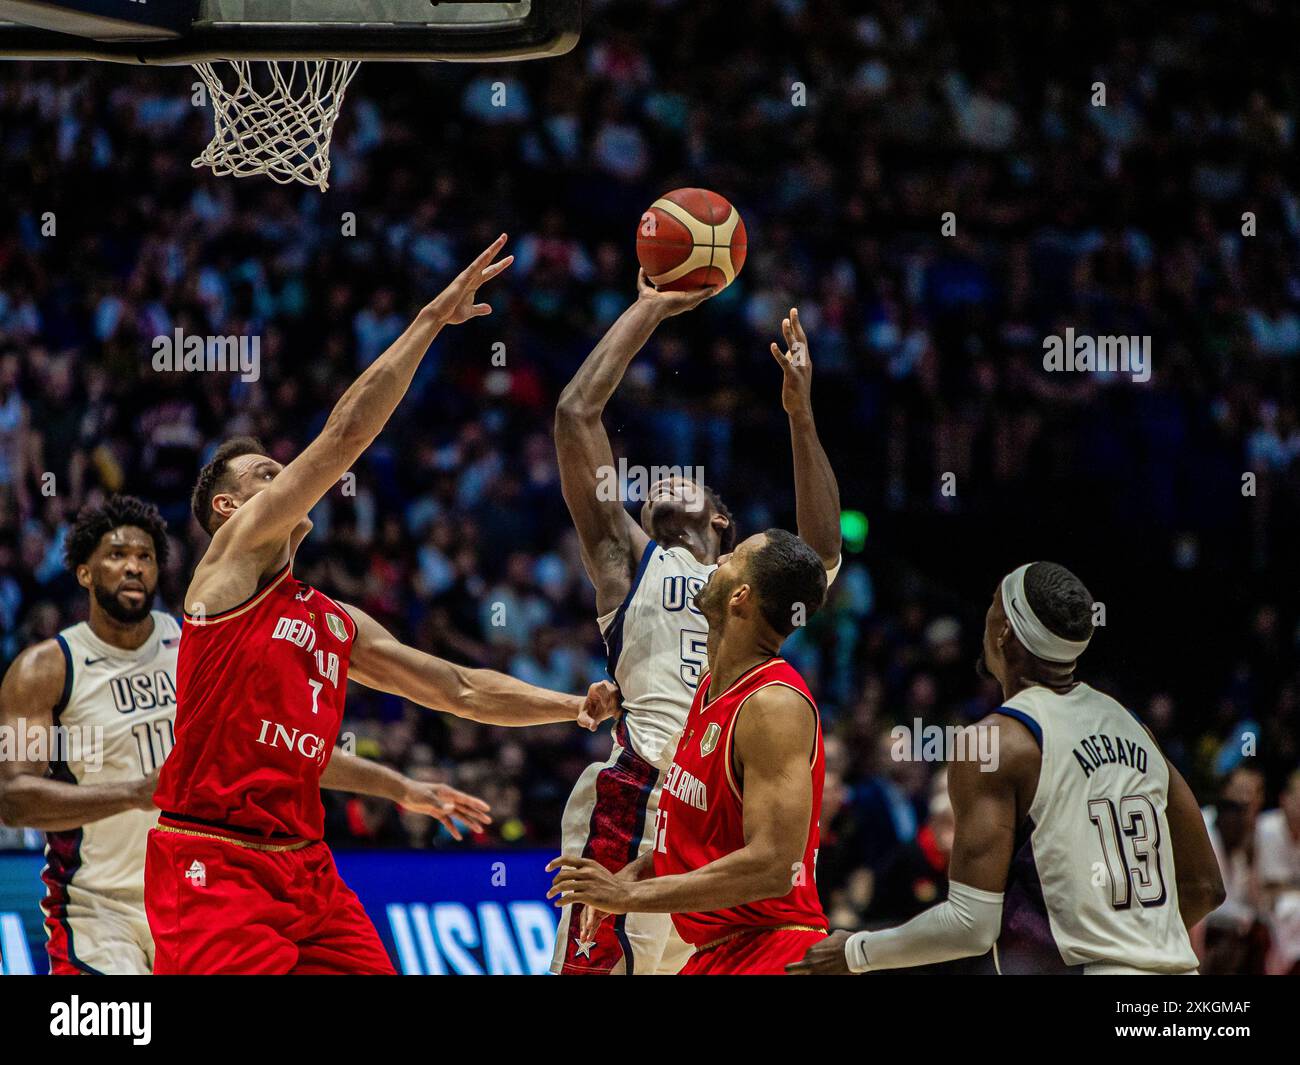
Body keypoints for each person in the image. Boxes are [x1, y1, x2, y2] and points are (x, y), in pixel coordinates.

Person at [143, 238, 618, 975]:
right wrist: (431, 318)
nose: (287, 477)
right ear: (232, 505)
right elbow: (343, 438)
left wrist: (572, 707)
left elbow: (455, 687)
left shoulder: (335, 620)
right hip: (212, 859)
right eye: (268, 472)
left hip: (306, 865)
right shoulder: (227, 567)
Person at [0, 495, 493, 975]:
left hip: (204, 899)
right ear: (84, 572)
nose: (133, 567)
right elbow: (14, 799)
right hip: (101, 907)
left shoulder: (199, 641)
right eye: (116, 555)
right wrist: (131, 793)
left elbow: (282, 747)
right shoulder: (45, 669)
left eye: (145, 556)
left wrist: (400, 787)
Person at [549, 272, 842, 974]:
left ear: (723, 523)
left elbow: (821, 552)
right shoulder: (628, 561)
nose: (666, 481)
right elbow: (575, 416)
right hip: (644, 796)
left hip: (724, 825)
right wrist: (649, 306)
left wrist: (801, 414)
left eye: (694, 484)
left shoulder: (754, 585)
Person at [789, 562, 1225, 975]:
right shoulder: (1136, 729)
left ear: (1004, 632)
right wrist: (1136, 945)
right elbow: (1206, 886)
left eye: (993, 604)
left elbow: (970, 925)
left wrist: (856, 951)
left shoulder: (994, 742)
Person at [547, 529, 831, 975]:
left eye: (733, 557)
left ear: (740, 596)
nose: (716, 562)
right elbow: (696, 837)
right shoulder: (708, 691)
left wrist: (628, 898)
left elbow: (775, 866)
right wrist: (632, 875)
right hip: (717, 952)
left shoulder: (773, 704)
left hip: (773, 951)